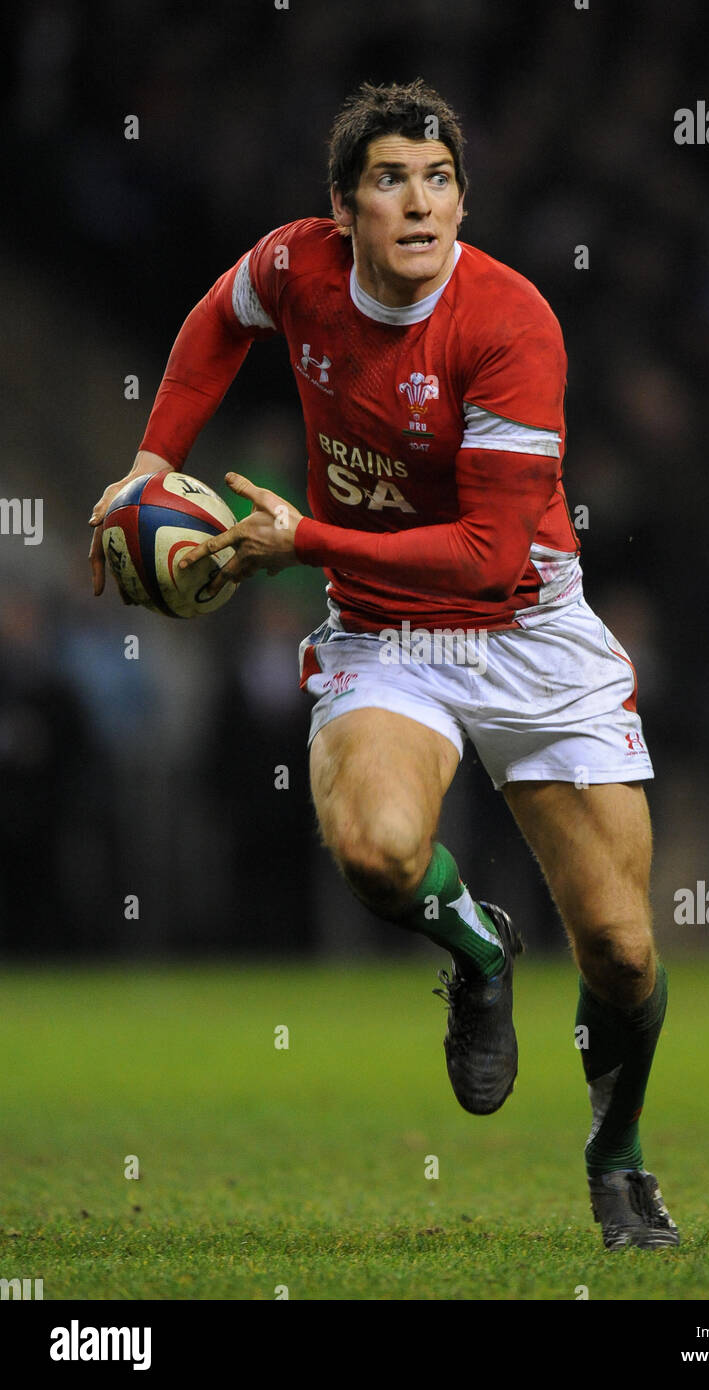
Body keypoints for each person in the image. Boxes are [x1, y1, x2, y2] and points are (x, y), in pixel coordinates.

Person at [88, 79, 678, 1251]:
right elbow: (217, 318)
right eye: (390, 180)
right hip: (382, 632)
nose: (420, 203)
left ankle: (616, 1161)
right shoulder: (294, 270)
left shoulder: (510, 325)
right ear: (342, 208)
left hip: (523, 629)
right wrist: (150, 462)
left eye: (440, 178)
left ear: (463, 197)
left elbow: (482, 552)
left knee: (618, 947)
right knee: (372, 850)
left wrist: (300, 539)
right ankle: (475, 947)